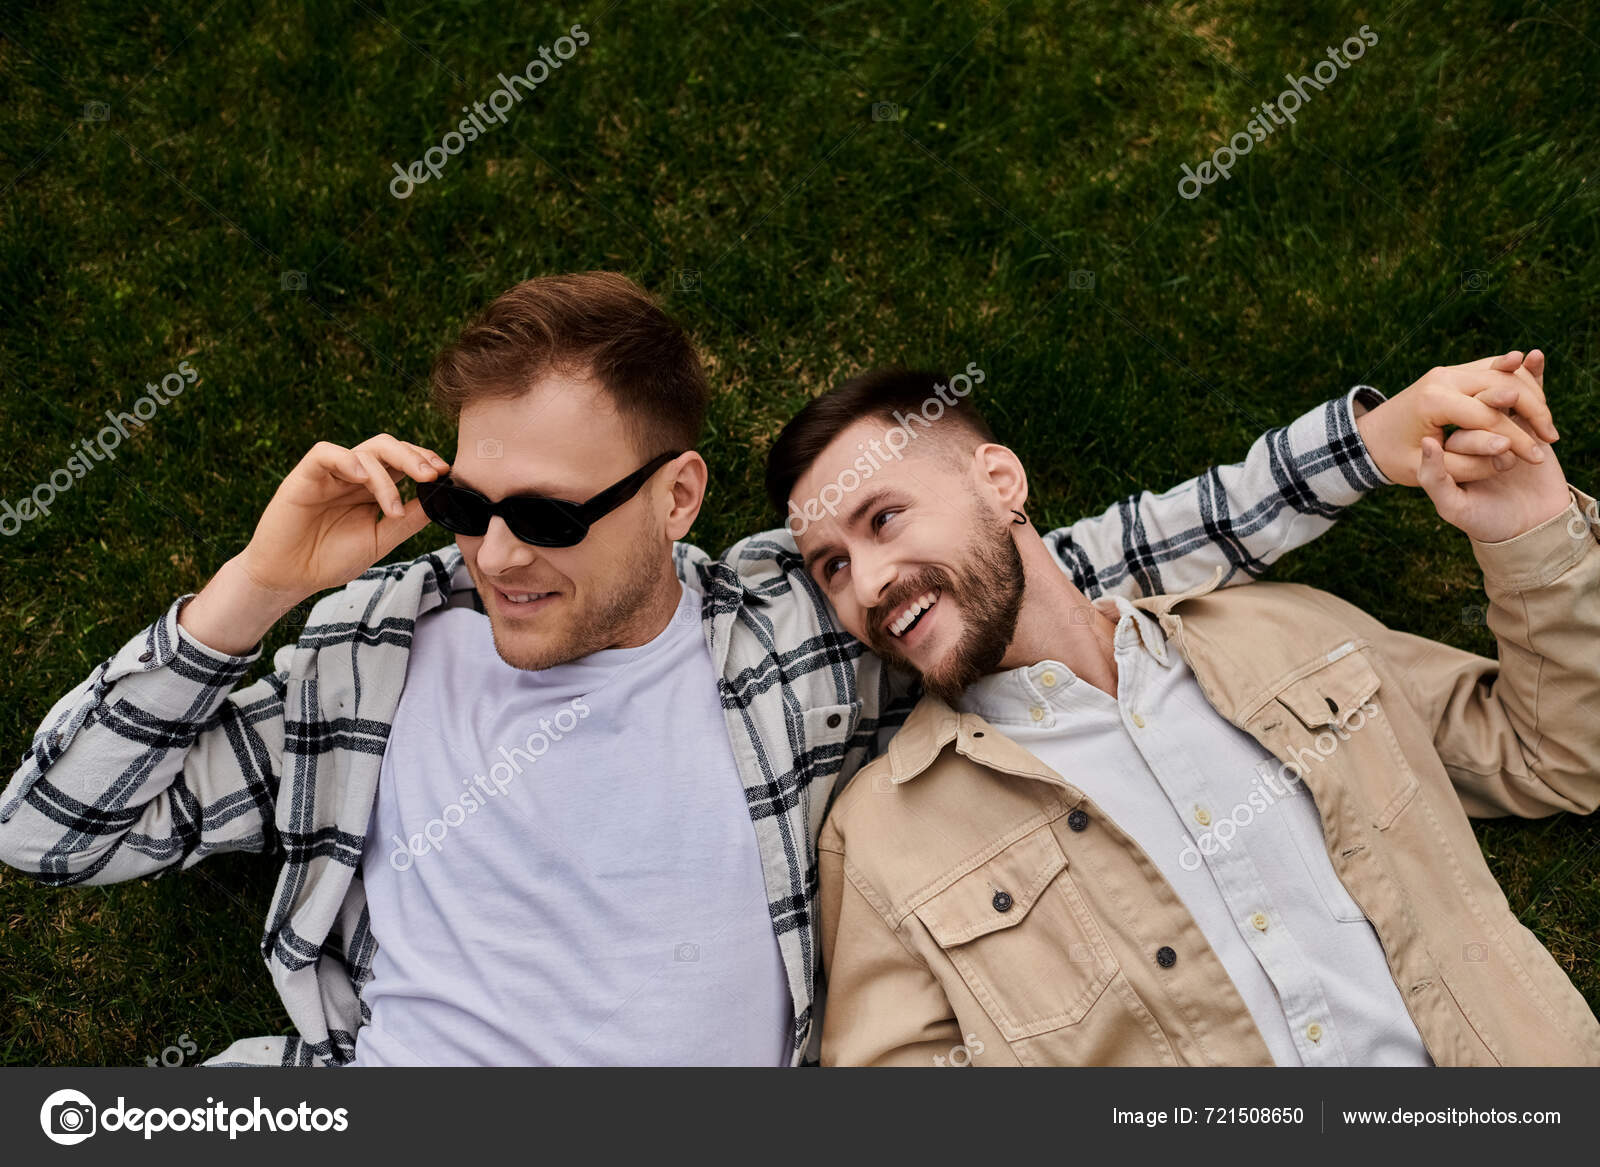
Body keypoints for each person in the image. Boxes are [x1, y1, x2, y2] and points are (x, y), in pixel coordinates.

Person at [0, 272, 1544, 1066]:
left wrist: (1359, 444)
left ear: (675, 500)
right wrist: (259, 586)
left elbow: (1088, 555)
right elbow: (52, 831)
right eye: (473, 506)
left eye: (544, 515)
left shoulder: (797, 628)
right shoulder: (367, 662)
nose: (496, 553)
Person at [767, 350, 1599, 1066]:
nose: (869, 584)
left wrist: (1530, 532)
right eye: (832, 567)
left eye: (884, 519)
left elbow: (1558, 757)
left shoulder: (1290, 631)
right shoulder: (882, 839)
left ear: (998, 480)